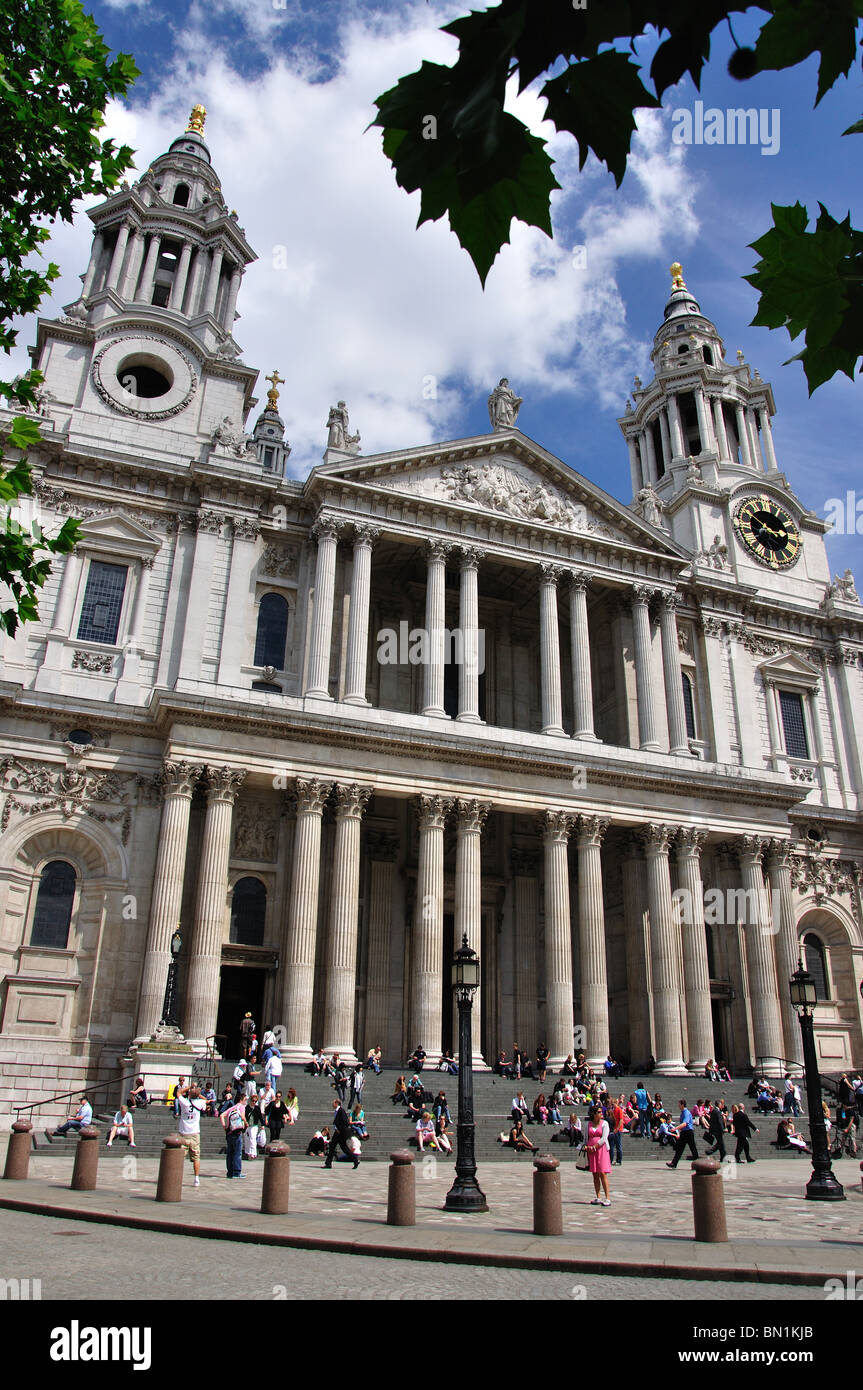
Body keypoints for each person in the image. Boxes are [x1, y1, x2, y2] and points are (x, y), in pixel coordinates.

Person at [176, 1083, 206, 1186]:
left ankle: (176, 1177)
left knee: (179, 1157)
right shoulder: (200, 1102)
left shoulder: (184, 1102)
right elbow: (205, 1099)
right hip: (194, 1134)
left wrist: (190, 1087)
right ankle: (196, 1178)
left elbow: (179, 1092)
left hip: (183, 1133)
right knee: (196, 1157)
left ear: (189, 1094)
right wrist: (197, 1092)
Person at [585, 1104, 611, 1206]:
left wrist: (595, 1145)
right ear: (594, 1114)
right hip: (591, 1151)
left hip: (601, 1150)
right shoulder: (589, 1124)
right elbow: (586, 1137)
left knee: (602, 1173)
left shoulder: (605, 1123)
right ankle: (598, 1196)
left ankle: (607, 1198)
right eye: (599, 1112)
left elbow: (604, 1138)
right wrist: (586, 1147)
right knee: (595, 1174)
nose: (601, 1114)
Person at [324, 1099, 360, 1169]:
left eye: (333, 1102)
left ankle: (328, 1163)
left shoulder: (341, 1111)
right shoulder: (337, 1111)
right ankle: (355, 1160)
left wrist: (339, 1129)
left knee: (334, 1147)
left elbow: (345, 1122)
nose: (332, 1104)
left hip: (340, 1132)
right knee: (342, 1147)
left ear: (336, 1103)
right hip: (339, 1131)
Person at [666, 1098, 699, 1169]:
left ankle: (698, 1164)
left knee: (692, 1148)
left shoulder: (686, 1112)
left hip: (688, 1132)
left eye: (679, 1104)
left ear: (682, 1104)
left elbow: (684, 1124)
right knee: (679, 1148)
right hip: (684, 1132)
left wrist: (675, 1128)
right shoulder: (683, 1112)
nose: (678, 1105)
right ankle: (674, 1163)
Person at [221, 1094, 247, 1178]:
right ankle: (237, 1173)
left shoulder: (231, 1108)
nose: (245, 1101)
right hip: (237, 1132)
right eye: (245, 1099)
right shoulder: (241, 1107)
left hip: (229, 1132)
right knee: (237, 1153)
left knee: (230, 1153)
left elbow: (221, 1115)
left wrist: (224, 1126)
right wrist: (246, 1124)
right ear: (241, 1099)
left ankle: (230, 1172)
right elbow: (242, 1117)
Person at [243, 1094, 264, 1158]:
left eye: (255, 1101)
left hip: (254, 1125)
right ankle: (247, 1151)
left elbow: (260, 1117)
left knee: (253, 1138)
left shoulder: (257, 1108)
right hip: (247, 1125)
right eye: (253, 1101)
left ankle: (253, 1152)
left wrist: (262, 1125)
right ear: (250, 1100)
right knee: (247, 1139)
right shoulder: (247, 1107)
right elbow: (244, 1116)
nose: (254, 1102)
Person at [608, 1096, 625, 1165]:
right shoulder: (614, 1110)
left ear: (616, 1103)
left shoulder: (619, 1110)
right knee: (613, 1145)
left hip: (618, 1130)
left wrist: (617, 1129)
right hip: (614, 1129)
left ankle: (619, 1160)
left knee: (618, 1145)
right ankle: (611, 1159)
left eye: (613, 1104)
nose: (612, 1106)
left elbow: (621, 1120)